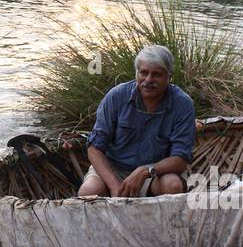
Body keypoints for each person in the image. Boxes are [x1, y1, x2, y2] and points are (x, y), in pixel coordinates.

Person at [78, 44, 196, 198]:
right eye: (144, 73)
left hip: (156, 173)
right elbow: (94, 148)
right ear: (136, 73)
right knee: (88, 192)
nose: (148, 80)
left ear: (169, 76)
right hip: (113, 169)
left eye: (156, 74)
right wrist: (115, 187)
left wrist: (145, 171)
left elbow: (181, 159)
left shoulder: (183, 104)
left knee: (172, 186)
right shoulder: (117, 96)